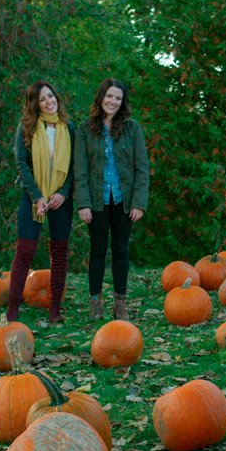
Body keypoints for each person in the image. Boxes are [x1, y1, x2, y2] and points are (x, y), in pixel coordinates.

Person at [74, 78, 150, 321]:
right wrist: (83, 203)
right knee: (97, 249)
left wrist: (139, 203)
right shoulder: (85, 129)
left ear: (122, 101)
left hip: (123, 201)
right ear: (101, 98)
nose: (113, 102)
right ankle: (95, 302)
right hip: (96, 201)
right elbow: (80, 170)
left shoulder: (132, 129)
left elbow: (142, 168)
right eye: (109, 96)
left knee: (120, 249)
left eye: (118, 98)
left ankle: (120, 303)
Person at [8, 81, 75, 323]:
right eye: (42, 99)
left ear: (56, 96)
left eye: (50, 96)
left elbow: (74, 165)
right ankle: (13, 310)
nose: (48, 101)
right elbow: (21, 164)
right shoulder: (26, 127)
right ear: (35, 105)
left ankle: (55, 308)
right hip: (32, 196)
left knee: (59, 251)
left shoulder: (68, 127)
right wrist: (37, 196)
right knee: (25, 251)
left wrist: (63, 193)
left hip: (60, 198)